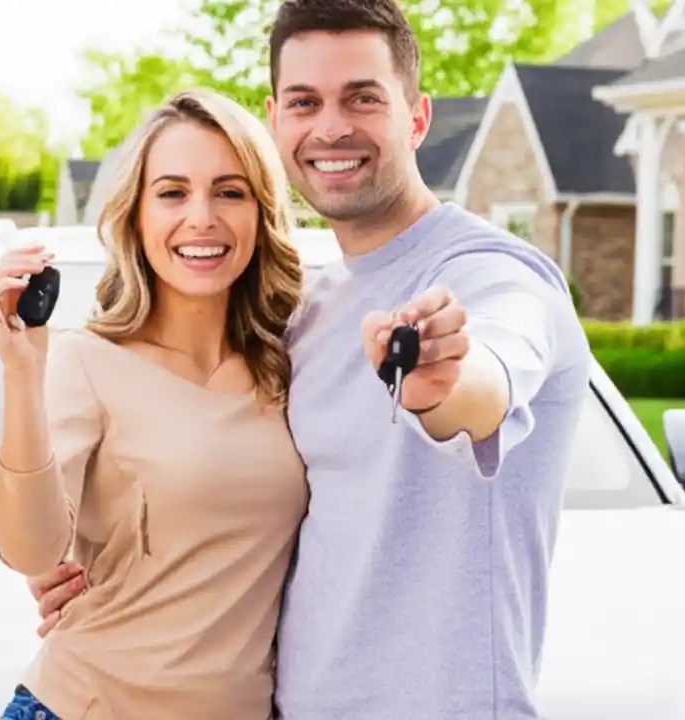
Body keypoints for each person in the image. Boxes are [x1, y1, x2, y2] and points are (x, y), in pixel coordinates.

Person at [30, 1, 593, 717]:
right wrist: (102, 561)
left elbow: (487, 380)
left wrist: (439, 382)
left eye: (363, 98)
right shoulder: (303, 318)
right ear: (276, 121)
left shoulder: (496, 275)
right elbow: (237, 496)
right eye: (305, 102)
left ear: (417, 117)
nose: (331, 127)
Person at [0, 88, 310, 719]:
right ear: (135, 216)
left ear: (261, 213)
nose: (202, 217)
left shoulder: (291, 366)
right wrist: (22, 373)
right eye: (173, 192)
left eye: (230, 191)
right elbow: (31, 550)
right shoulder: (86, 361)